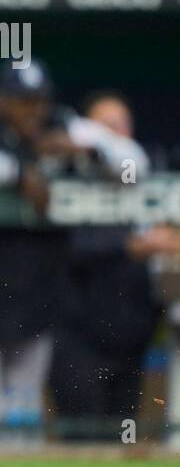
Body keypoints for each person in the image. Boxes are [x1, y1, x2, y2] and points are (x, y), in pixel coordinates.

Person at [0, 60, 148, 432]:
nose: (33, 110)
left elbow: (137, 166)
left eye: (39, 101)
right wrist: (13, 172)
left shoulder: (63, 122)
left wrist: (89, 152)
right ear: (1, 99)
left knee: (23, 409)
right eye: (22, 101)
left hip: (34, 297)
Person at [51, 91, 167, 436]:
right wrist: (128, 246)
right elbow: (64, 248)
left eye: (122, 125)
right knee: (83, 436)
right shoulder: (67, 175)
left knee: (121, 435)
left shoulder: (143, 178)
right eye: (106, 125)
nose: (116, 132)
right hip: (78, 335)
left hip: (131, 333)